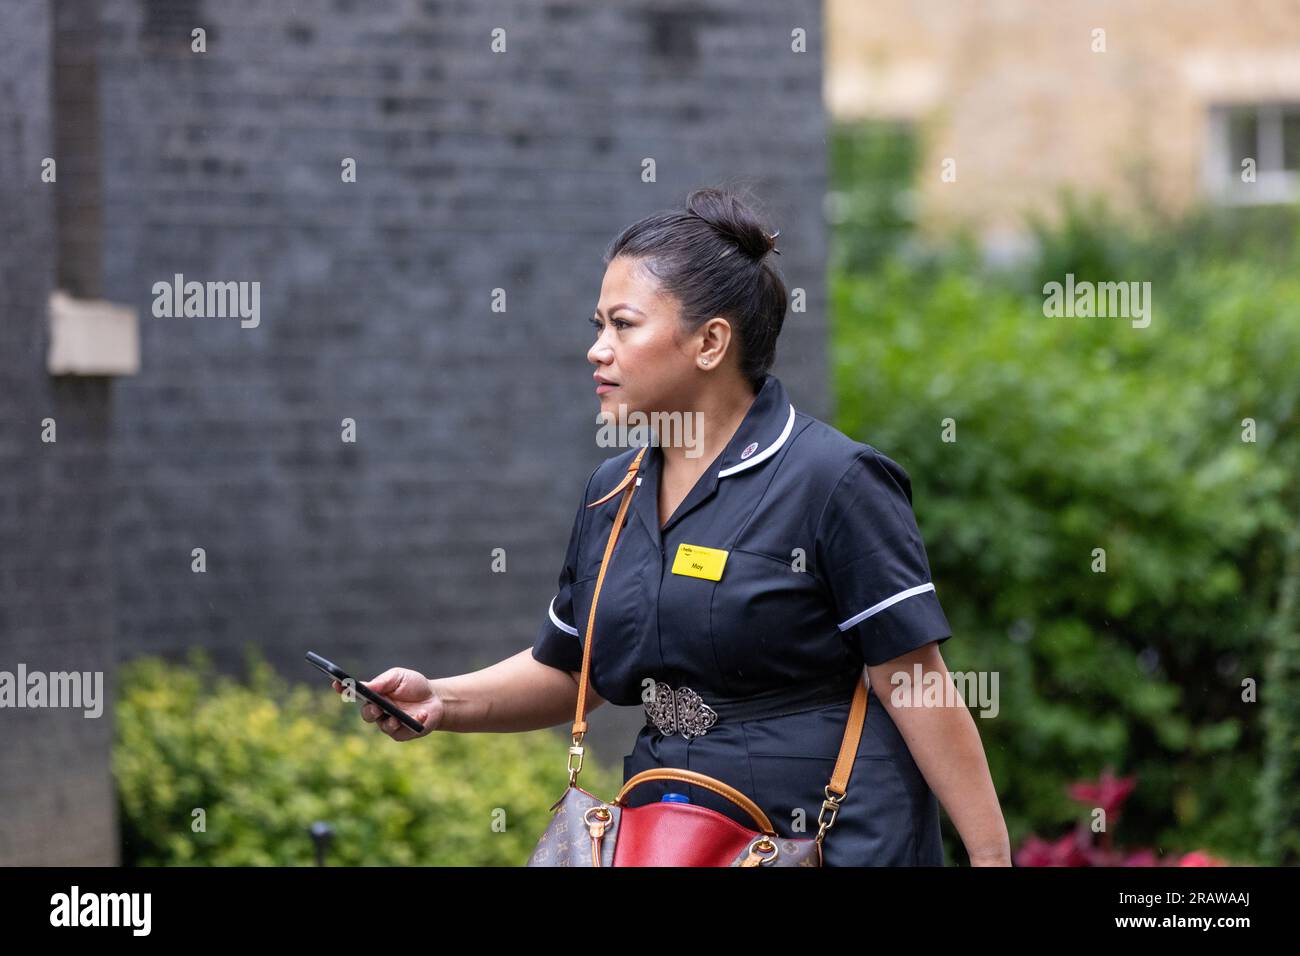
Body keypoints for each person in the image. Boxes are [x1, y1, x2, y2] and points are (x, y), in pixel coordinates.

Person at [334, 186, 1011, 866]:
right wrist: (440, 700)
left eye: (623, 325)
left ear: (711, 342)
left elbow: (914, 681)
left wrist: (989, 860)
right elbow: (573, 670)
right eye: (597, 326)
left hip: (830, 840)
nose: (597, 350)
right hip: (664, 836)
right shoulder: (613, 492)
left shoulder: (834, 481)